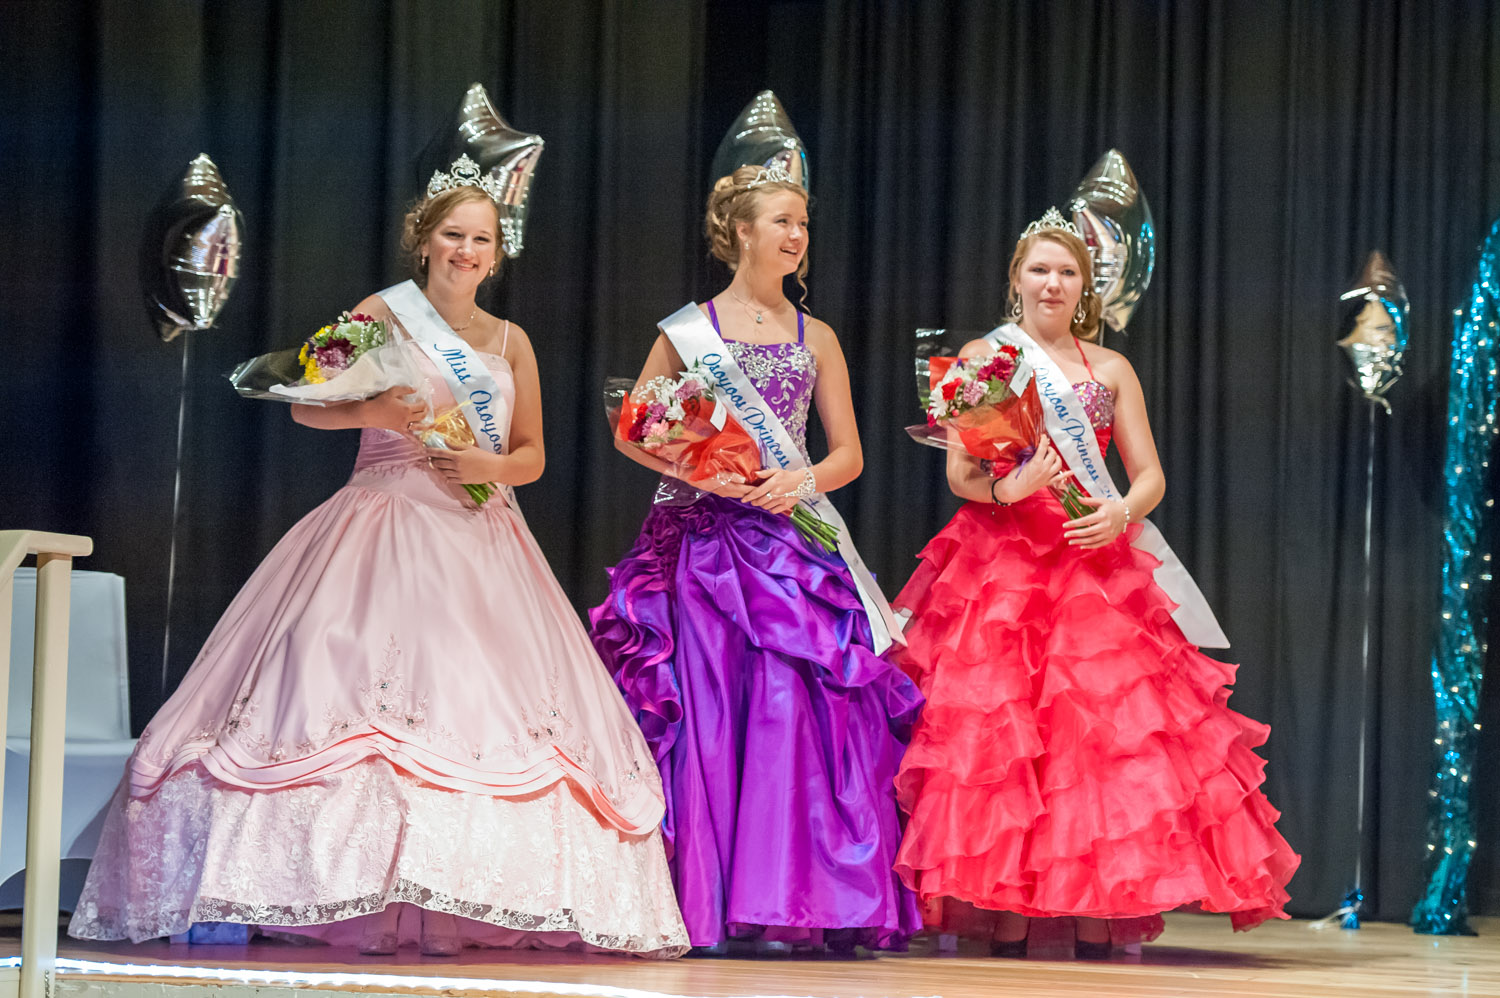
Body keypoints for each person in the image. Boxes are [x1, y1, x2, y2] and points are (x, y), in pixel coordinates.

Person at [69, 161, 689, 958]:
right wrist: (379, 408)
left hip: (484, 535)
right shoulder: (379, 316)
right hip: (382, 517)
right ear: (424, 242)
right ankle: (321, 881)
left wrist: (485, 469)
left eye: (482, 239)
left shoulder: (512, 342)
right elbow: (302, 410)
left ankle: (472, 889)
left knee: (489, 709)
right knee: (347, 695)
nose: (466, 250)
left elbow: (531, 455)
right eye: (453, 235)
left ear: (498, 254)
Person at [892, 208, 1299, 959]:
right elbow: (961, 475)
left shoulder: (1111, 369)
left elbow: (1149, 477)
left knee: (1103, 737)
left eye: (1068, 272)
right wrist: (1007, 494)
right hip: (1004, 564)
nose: (1053, 282)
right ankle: (1005, 904)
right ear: (1015, 277)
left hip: (1094, 561)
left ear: (1086, 288)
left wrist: (1118, 513)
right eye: (1040, 269)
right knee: (1001, 735)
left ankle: (1098, 903)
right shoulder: (985, 355)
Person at [589, 164, 921, 952]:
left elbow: (848, 455)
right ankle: (709, 899)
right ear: (740, 230)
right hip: (699, 542)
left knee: (795, 716)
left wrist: (798, 478)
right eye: (781, 221)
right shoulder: (685, 329)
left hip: (789, 538)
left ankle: (799, 902)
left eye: (803, 224)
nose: (797, 236)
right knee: (710, 716)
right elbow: (631, 429)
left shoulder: (820, 337)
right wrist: (697, 469)